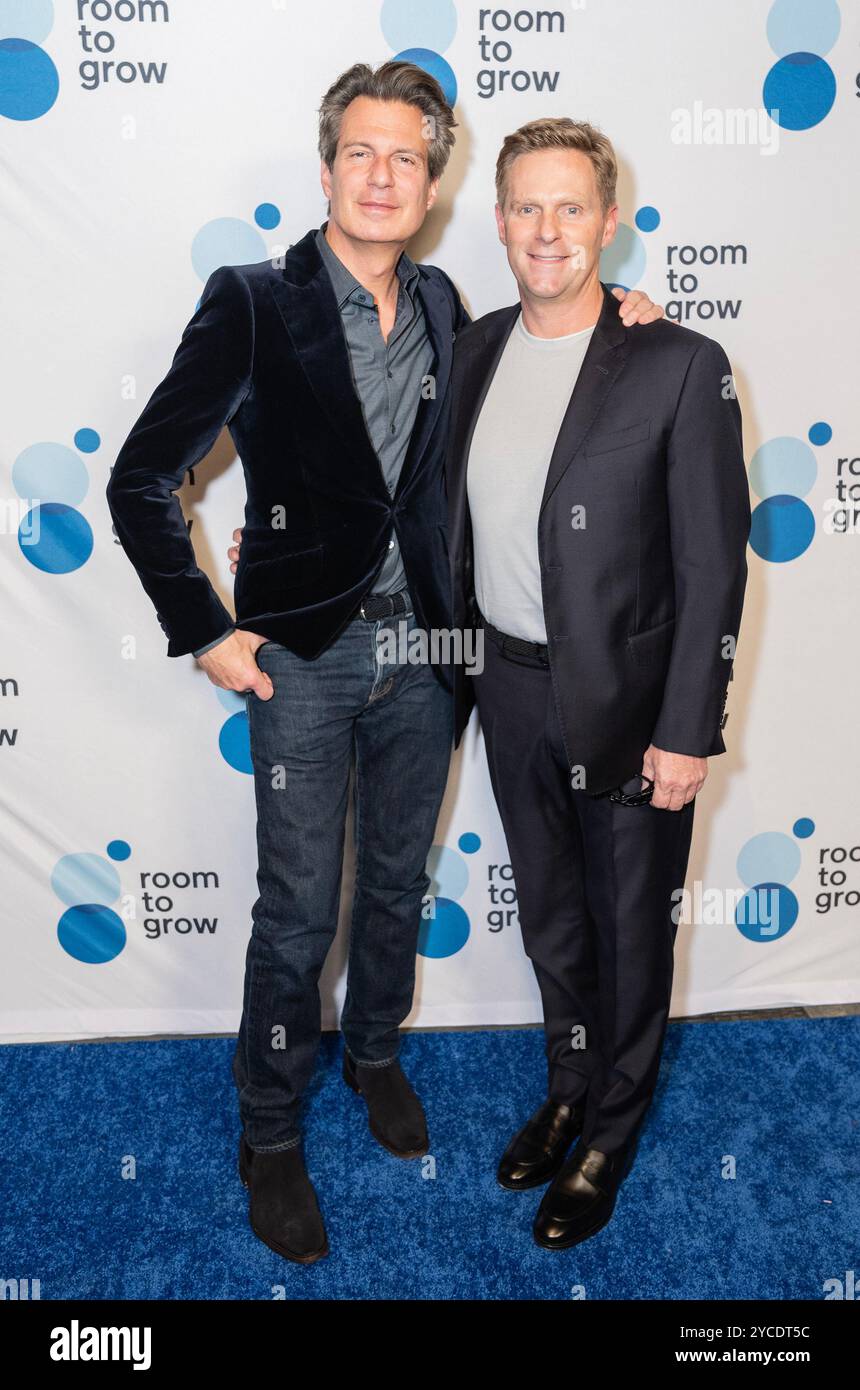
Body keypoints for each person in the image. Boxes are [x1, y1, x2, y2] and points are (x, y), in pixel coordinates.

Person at [108, 60, 661, 1265]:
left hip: (433, 653)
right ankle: (268, 1131)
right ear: (325, 169)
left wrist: (630, 321)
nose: (380, 174)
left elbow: (524, 410)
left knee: (399, 885)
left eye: (404, 156)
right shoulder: (251, 299)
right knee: (298, 909)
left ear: (430, 184)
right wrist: (207, 624)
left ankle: (372, 1057)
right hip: (299, 656)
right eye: (359, 151)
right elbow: (141, 476)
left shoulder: (450, 308)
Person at [444, 118, 751, 1249]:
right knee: (554, 921)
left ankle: (611, 1134)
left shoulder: (677, 363)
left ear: (608, 223)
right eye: (525, 206)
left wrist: (685, 731)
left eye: (569, 207)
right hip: (506, 688)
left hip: (630, 711)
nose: (545, 230)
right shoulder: (473, 350)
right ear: (498, 220)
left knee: (627, 930)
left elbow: (712, 564)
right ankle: (568, 1088)